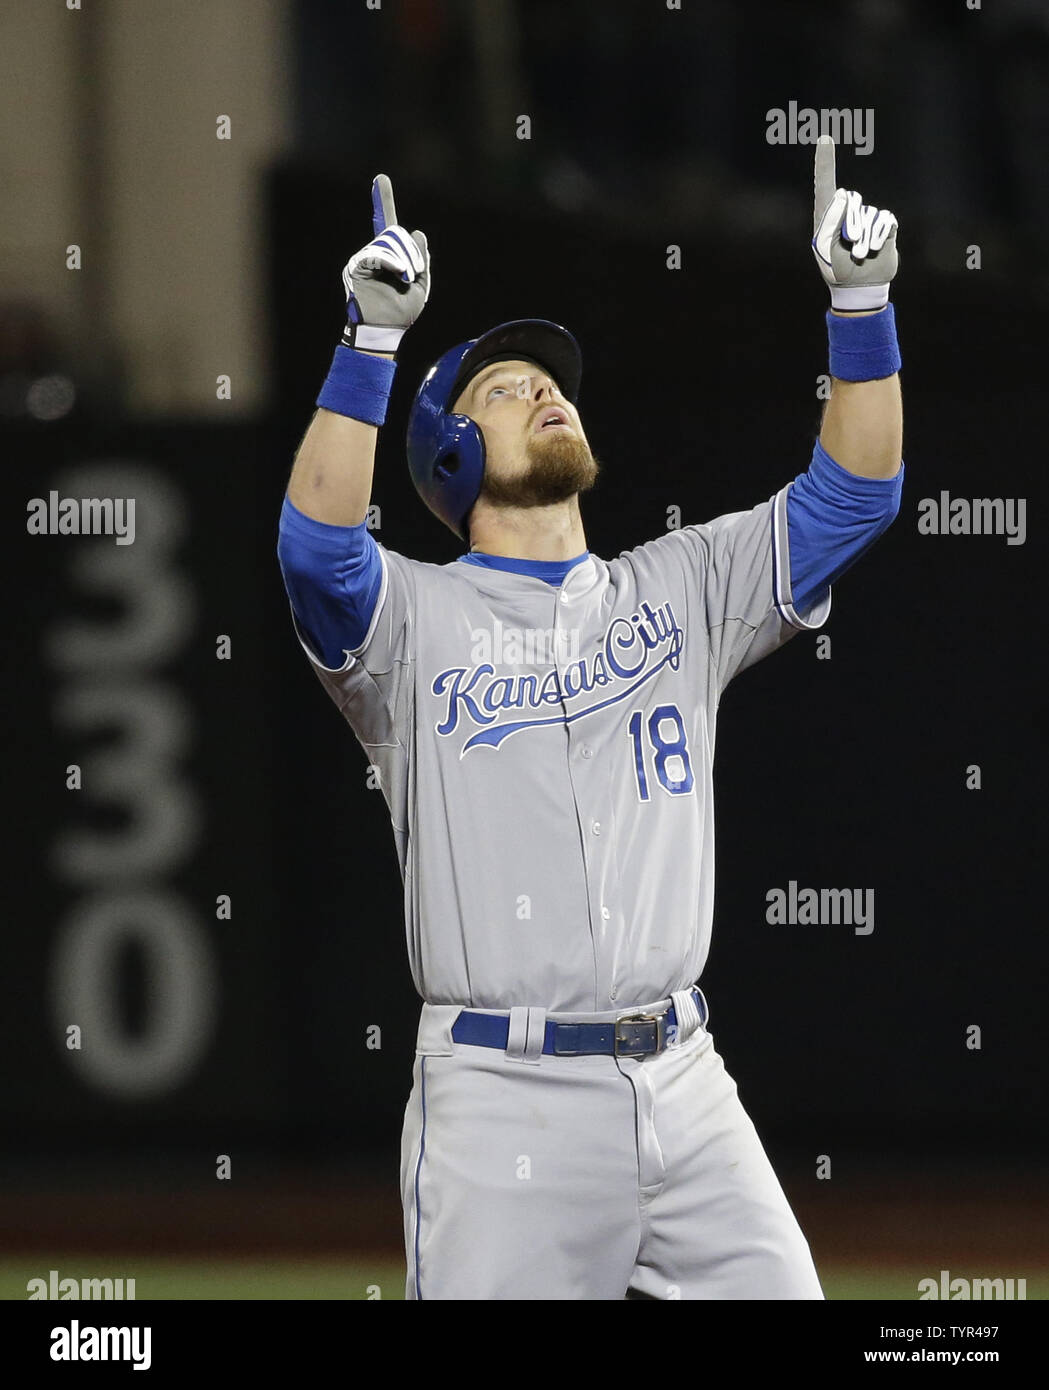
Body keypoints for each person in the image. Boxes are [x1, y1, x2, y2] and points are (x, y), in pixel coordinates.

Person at [277, 138, 904, 1300]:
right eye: (505, 390)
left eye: (548, 379)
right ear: (453, 456)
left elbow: (854, 495)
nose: (542, 389)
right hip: (499, 1096)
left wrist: (859, 309)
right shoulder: (411, 620)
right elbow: (315, 545)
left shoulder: (680, 583)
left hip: (682, 1074)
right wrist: (368, 343)